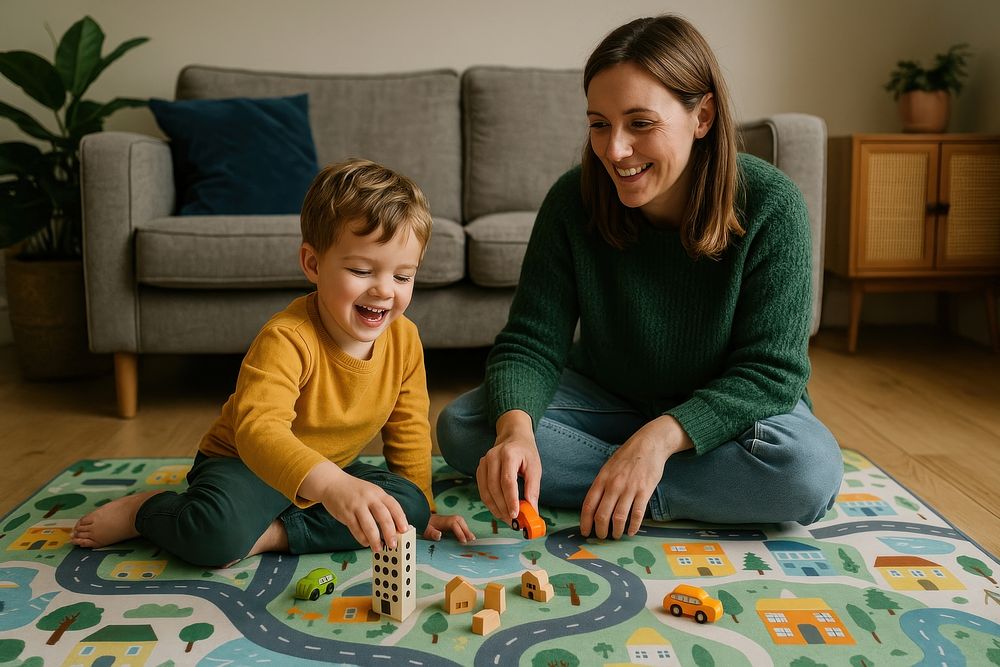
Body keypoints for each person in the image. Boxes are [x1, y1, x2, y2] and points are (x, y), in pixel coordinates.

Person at [437, 15, 842, 541]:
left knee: (807, 472)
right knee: (468, 427)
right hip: (608, 400)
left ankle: (624, 486)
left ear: (703, 116)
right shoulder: (571, 200)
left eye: (640, 123)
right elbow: (530, 342)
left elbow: (772, 373)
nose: (614, 150)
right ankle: (652, 485)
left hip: (725, 419)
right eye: (599, 123)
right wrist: (515, 432)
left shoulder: (772, 204)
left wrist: (659, 441)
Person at [72, 159, 474, 566]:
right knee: (215, 536)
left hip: (328, 471)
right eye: (361, 270)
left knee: (407, 509)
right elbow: (258, 431)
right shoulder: (287, 337)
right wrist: (333, 485)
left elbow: (408, 427)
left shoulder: (405, 339)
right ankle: (143, 511)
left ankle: (272, 534)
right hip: (247, 465)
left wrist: (422, 507)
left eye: (403, 277)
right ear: (313, 264)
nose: (384, 291)